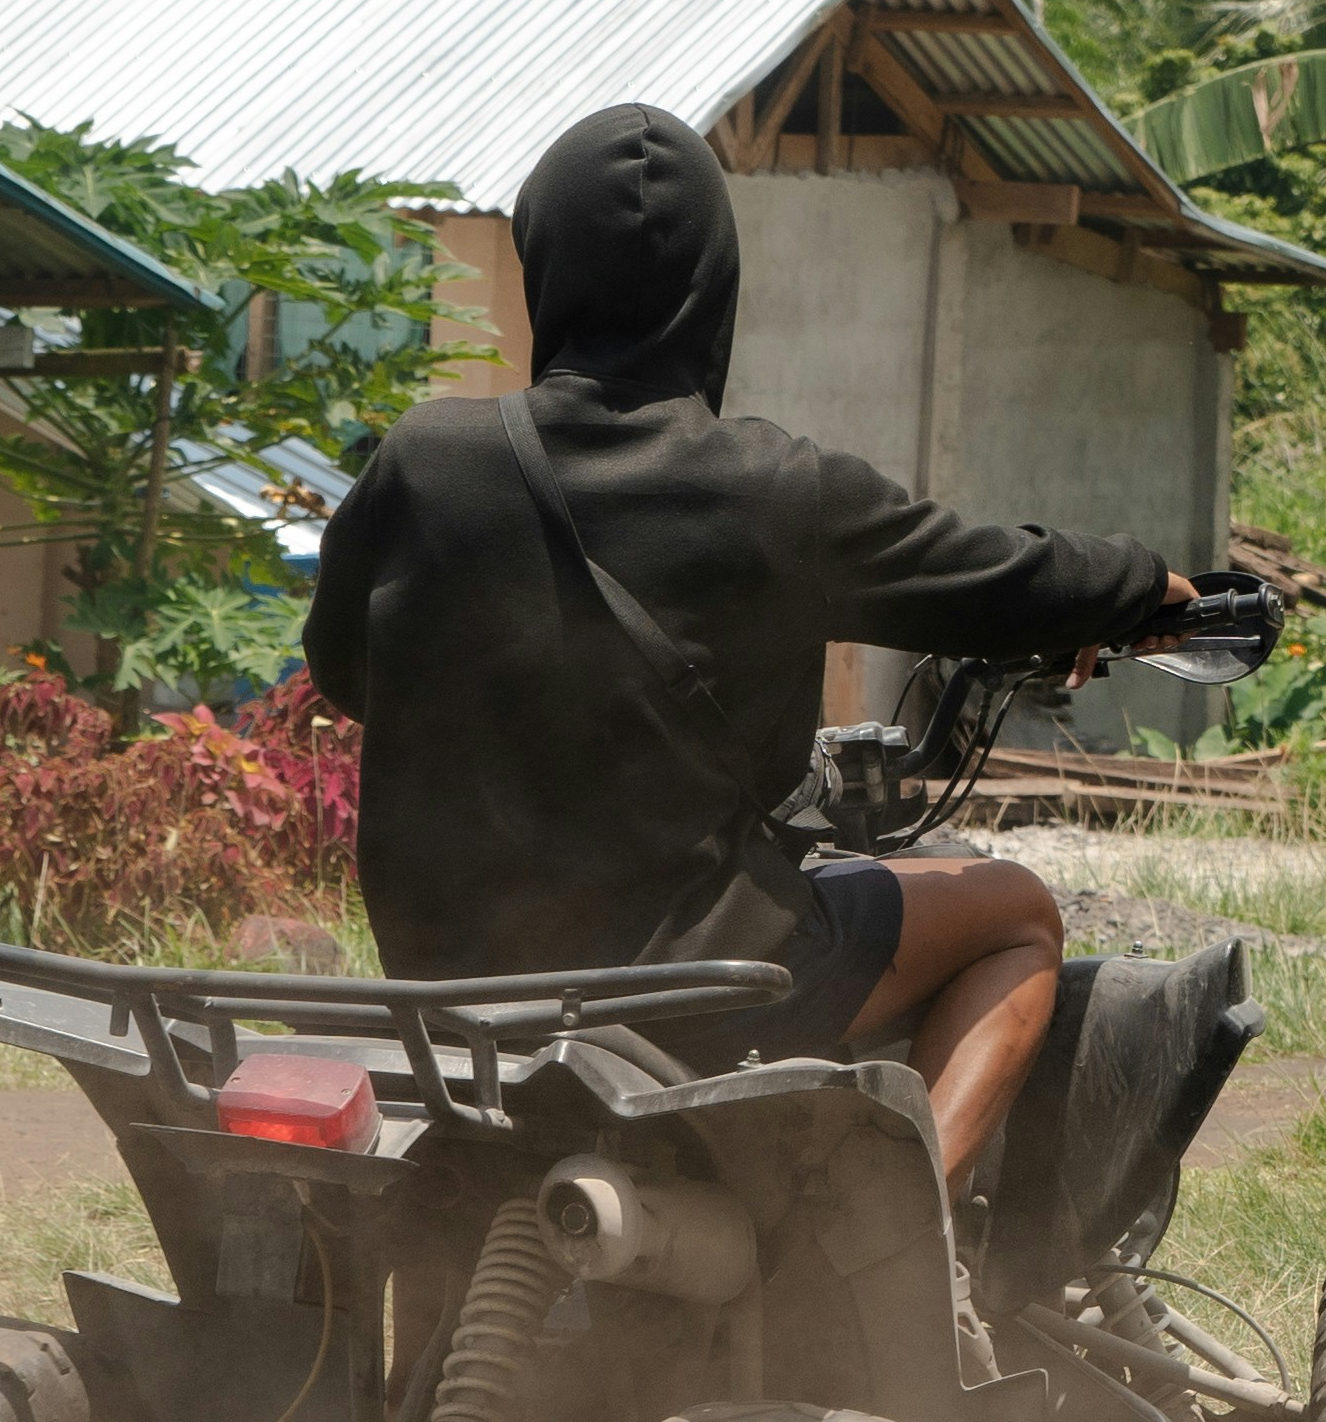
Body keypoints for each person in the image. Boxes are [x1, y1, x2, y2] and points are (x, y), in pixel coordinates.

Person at [304, 99, 1195, 1204]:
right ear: (711, 287)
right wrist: (1140, 586)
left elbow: (347, 676)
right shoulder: (774, 489)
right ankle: (910, 1236)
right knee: (1014, 906)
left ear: (544, 266)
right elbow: (992, 575)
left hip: (444, 980)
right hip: (690, 982)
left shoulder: (423, 461)